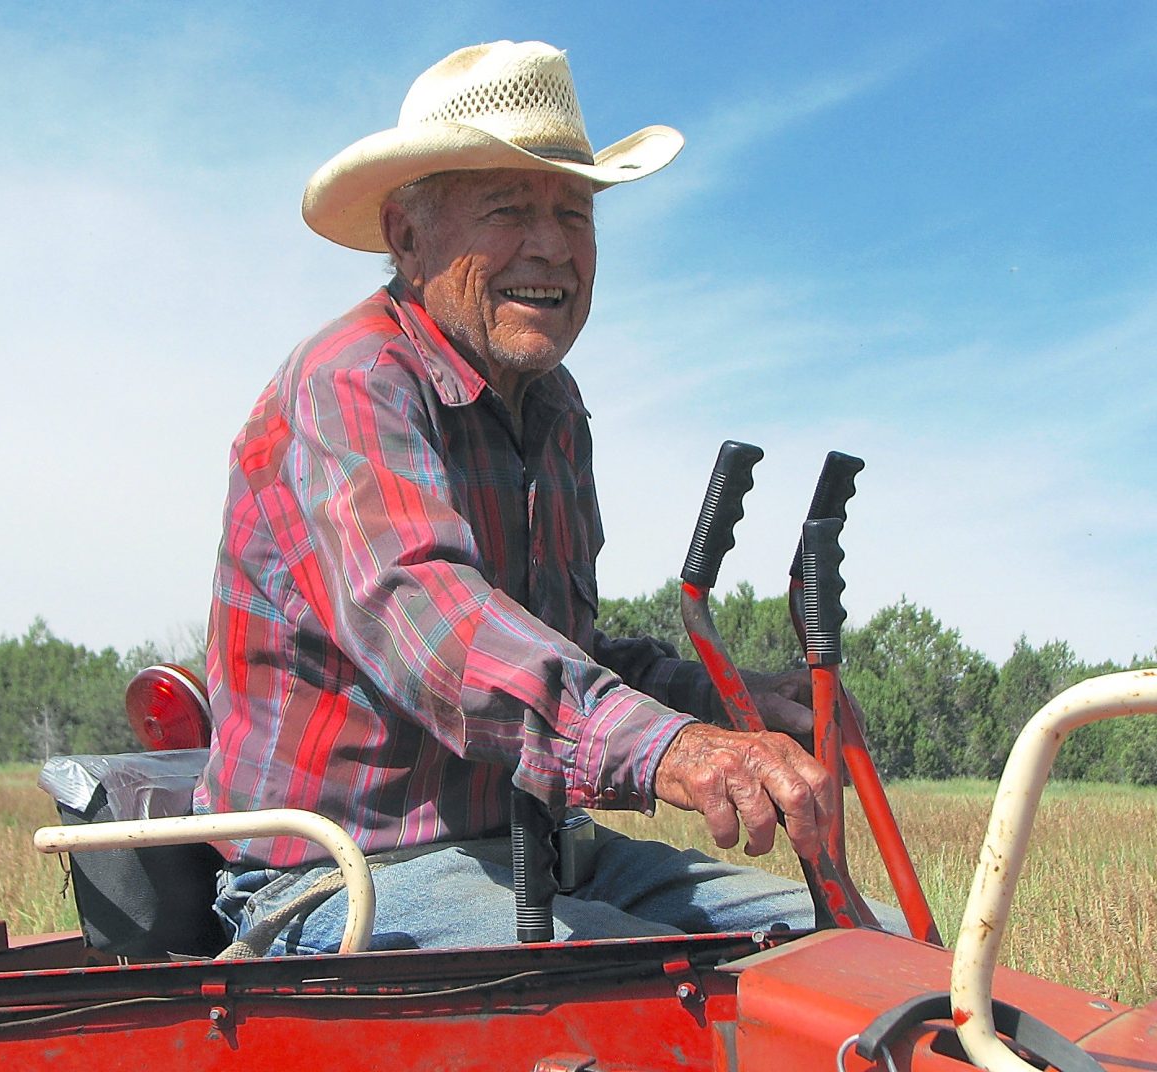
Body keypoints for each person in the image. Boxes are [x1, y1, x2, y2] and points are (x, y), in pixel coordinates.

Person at [194, 40, 876, 954]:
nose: (550, 246)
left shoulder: (553, 406)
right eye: (508, 208)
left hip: (539, 850)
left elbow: (566, 652)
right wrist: (674, 752)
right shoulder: (351, 382)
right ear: (407, 235)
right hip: (340, 874)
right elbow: (444, 634)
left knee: (851, 955)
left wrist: (731, 703)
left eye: (573, 210)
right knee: (665, 998)